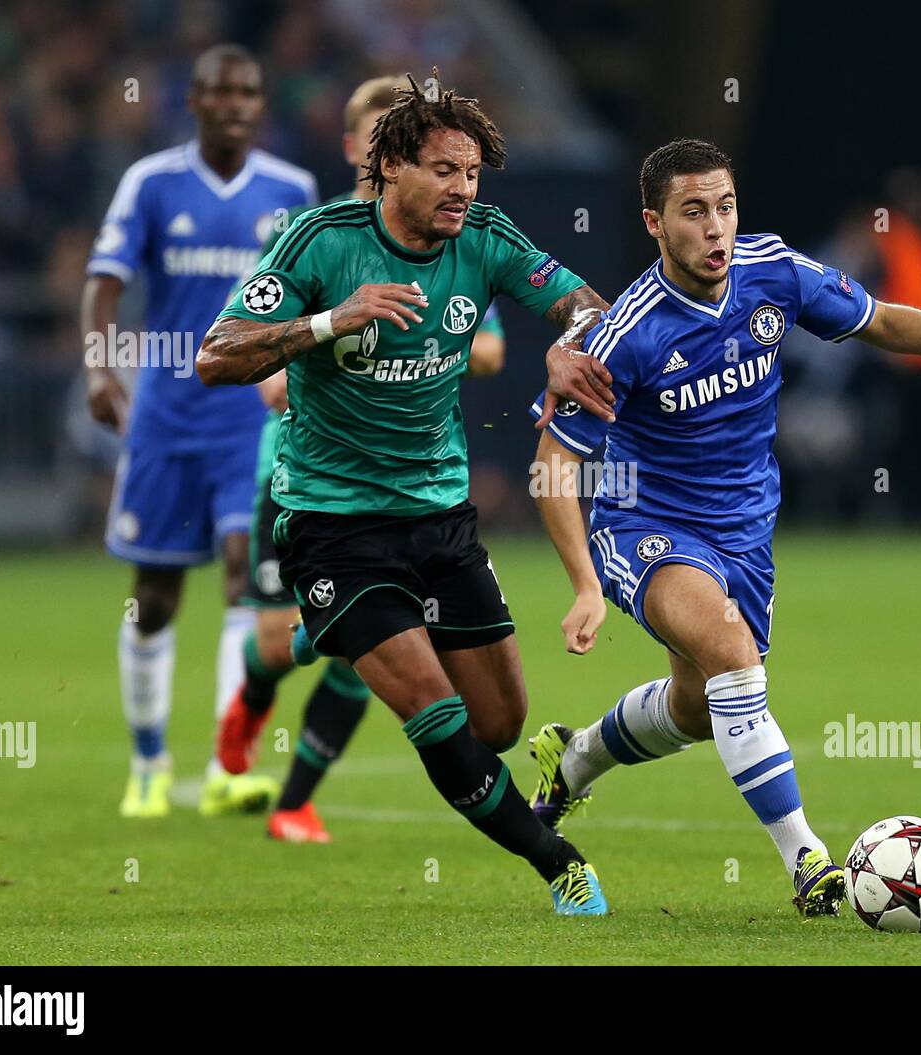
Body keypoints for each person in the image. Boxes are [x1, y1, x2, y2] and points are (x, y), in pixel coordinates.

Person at [525, 138, 921, 915]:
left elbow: (877, 320)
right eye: (692, 213)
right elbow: (554, 461)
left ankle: (572, 758)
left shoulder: (773, 272)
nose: (715, 228)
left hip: (744, 531)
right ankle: (809, 859)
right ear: (653, 222)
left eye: (725, 207)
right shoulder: (626, 334)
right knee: (730, 650)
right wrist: (583, 581)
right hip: (645, 524)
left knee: (697, 705)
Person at [196, 72, 616, 915]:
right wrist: (326, 322)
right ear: (386, 166)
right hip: (331, 524)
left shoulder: (486, 236)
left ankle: (330, 637)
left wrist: (572, 343)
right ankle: (560, 863)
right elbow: (216, 354)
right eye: (442, 169)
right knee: (435, 713)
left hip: (439, 519)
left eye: (471, 172)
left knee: (497, 723)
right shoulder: (321, 241)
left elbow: (583, 304)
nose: (463, 188)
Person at [218, 75, 507, 843]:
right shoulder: (314, 235)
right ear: (363, 149)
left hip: (409, 488)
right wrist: (311, 345)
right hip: (305, 474)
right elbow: (249, 346)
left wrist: (435, 339)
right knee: (289, 639)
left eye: (459, 166)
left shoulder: (452, 239)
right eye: (393, 137)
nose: (448, 176)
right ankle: (254, 682)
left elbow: (488, 343)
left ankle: (294, 800)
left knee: (370, 651)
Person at [82, 44, 317, 819]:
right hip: (165, 415)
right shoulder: (151, 182)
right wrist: (98, 367)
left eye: (248, 91)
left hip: (249, 421)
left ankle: (226, 761)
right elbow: (105, 281)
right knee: (153, 596)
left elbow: (313, 294)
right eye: (220, 91)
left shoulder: (293, 191)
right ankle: (149, 760)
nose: (235, 103)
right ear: (195, 99)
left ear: (261, 102)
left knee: (244, 575)